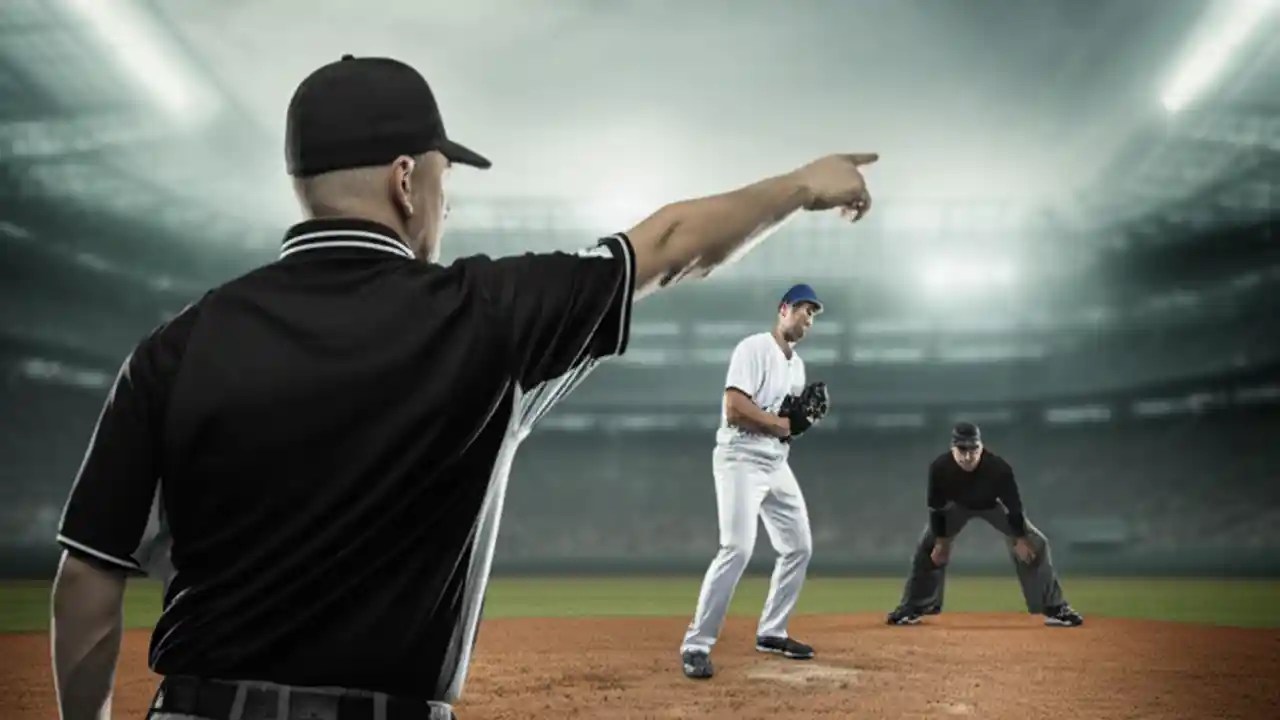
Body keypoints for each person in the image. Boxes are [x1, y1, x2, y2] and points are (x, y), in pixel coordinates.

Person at [50, 53, 879, 720]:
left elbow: (86, 584)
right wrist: (802, 184)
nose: (446, 202)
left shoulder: (177, 346)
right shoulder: (486, 312)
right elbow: (668, 244)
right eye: (447, 176)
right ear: (406, 180)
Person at [680, 284, 830, 680]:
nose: (808, 318)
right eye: (803, 310)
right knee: (737, 547)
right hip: (740, 457)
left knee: (799, 546)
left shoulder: (797, 367)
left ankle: (772, 631)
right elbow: (734, 407)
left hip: (775, 461)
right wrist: (784, 423)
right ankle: (697, 643)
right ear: (783, 310)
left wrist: (797, 425)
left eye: (813, 314)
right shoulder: (753, 348)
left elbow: (784, 427)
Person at [885, 422, 1084, 627]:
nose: (969, 456)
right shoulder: (940, 467)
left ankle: (1054, 607)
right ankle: (914, 607)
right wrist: (942, 543)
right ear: (952, 448)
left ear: (981, 447)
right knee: (928, 546)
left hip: (992, 505)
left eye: (974, 449)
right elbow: (936, 508)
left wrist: (1020, 539)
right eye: (962, 449)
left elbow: (1014, 507)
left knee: (1037, 543)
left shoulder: (998, 468)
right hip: (956, 506)